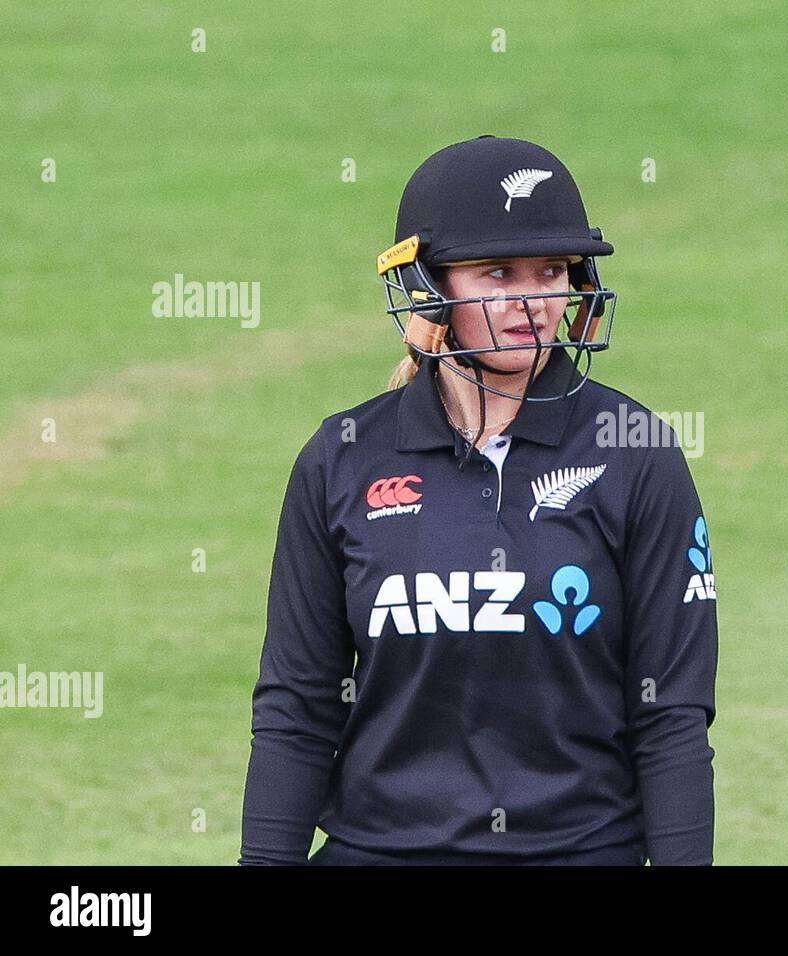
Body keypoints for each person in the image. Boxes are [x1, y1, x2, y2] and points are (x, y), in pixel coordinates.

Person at [238, 135, 720, 865]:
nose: (531, 301)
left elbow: (672, 716)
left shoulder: (635, 452)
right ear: (431, 288)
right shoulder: (341, 458)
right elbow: (298, 710)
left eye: (551, 271)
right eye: (497, 274)